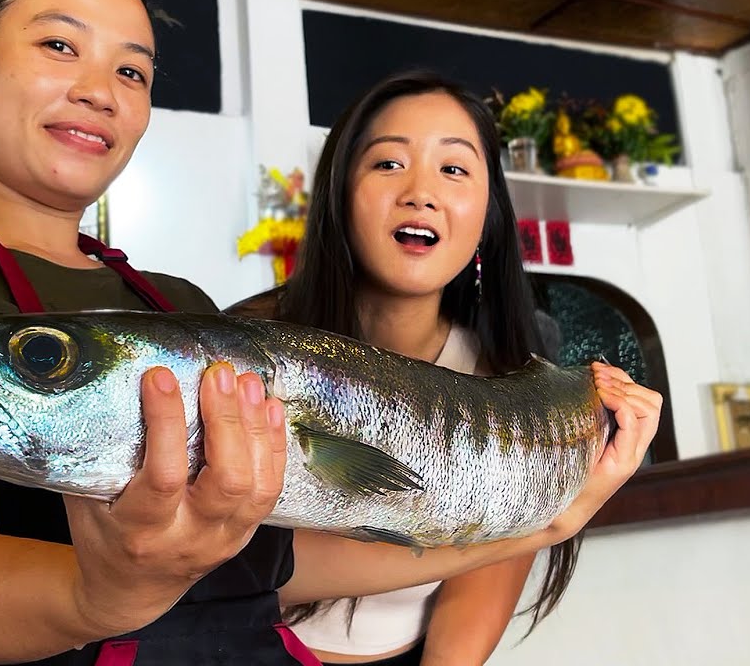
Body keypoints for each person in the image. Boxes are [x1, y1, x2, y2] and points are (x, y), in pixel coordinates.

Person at [0, 0, 662, 664]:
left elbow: (277, 562)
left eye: (132, 70)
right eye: (58, 45)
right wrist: (100, 593)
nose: (100, 90)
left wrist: (549, 522)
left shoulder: (180, 305)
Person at [229, 71, 661, 666]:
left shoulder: (505, 380)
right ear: (339, 192)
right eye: (388, 163)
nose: (420, 193)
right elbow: (238, 569)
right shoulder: (250, 348)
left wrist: (559, 496)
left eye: (454, 169)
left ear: (487, 213)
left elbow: (474, 596)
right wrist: (547, 524)